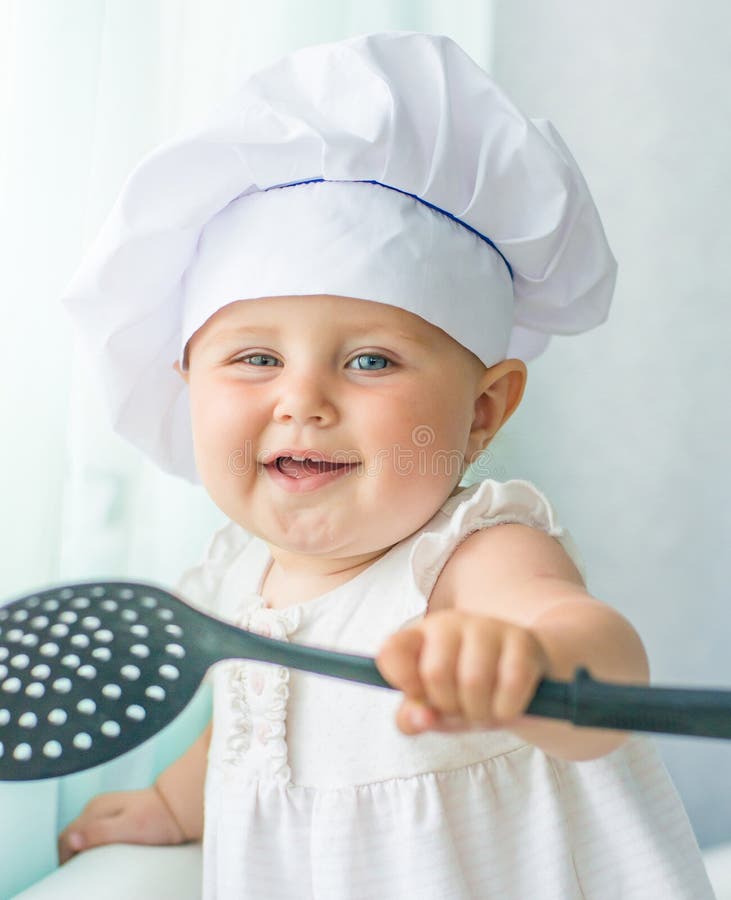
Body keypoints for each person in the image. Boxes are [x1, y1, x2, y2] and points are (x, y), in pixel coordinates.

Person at [52, 32, 713, 899]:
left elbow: (600, 655)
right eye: (254, 359)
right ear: (187, 390)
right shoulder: (234, 577)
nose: (303, 400)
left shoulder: (470, 555)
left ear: (480, 411)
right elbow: (252, 728)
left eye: (369, 362)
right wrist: (175, 807)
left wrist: (522, 659)